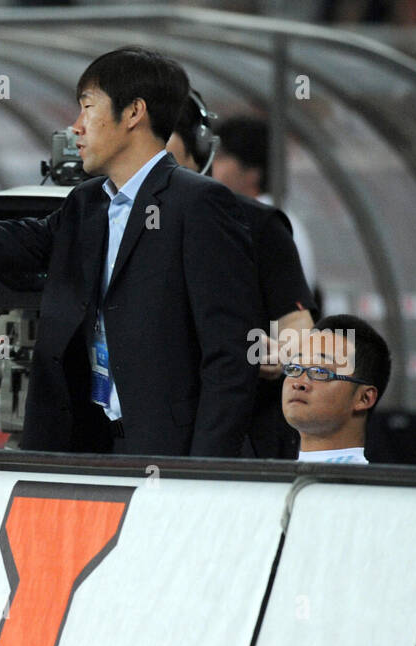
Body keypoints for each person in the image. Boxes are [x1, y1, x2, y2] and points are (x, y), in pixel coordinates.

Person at [0, 47, 260, 457]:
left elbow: (229, 355)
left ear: (134, 113)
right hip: (84, 447)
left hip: (169, 454)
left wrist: (207, 470)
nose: (75, 127)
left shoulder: (198, 204)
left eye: (87, 108)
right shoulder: (85, 205)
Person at [167, 93, 315, 459]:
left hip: (236, 431)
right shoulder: (105, 217)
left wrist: (281, 351)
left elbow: (296, 321)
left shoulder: (261, 223)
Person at [209, 115, 317, 294]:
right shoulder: (279, 217)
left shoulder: (255, 221)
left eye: (221, 158)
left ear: (253, 172)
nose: (212, 166)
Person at [282, 314, 390, 465]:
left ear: (364, 398)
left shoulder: (365, 487)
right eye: (294, 368)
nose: (299, 383)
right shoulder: (264, 482)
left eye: (320, 372)